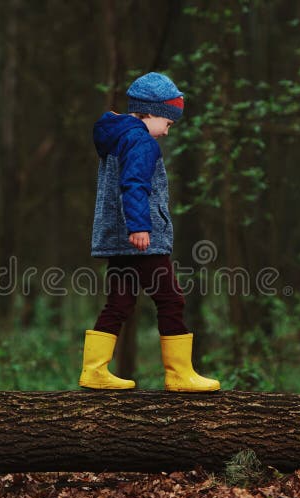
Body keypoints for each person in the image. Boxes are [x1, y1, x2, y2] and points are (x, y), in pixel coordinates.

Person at [78, 72, 221, 393]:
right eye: (168, 124)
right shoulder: (140, 140)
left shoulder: (118, 135)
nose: (167, 132)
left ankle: (94, 370)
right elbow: (134, 184)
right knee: (171, 299)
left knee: (120, 301)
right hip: (141, 239)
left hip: (119, 239)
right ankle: (179, 374)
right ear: (152, 113)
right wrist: (140, 226)